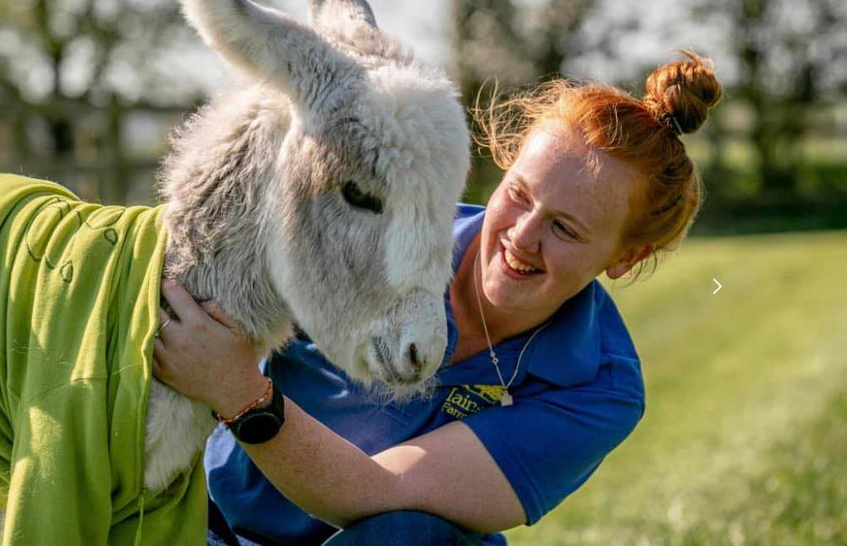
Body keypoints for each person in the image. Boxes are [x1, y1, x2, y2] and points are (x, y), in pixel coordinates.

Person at [151, 51, 723, 545]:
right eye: (519, 196)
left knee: (415, 536)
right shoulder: (368, 228)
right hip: (210, 525)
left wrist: (239, 393)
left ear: (626, 258)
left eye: (565, 229)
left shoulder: (599, 387)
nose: (522, 236)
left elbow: (376, 492)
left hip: (364, 540)